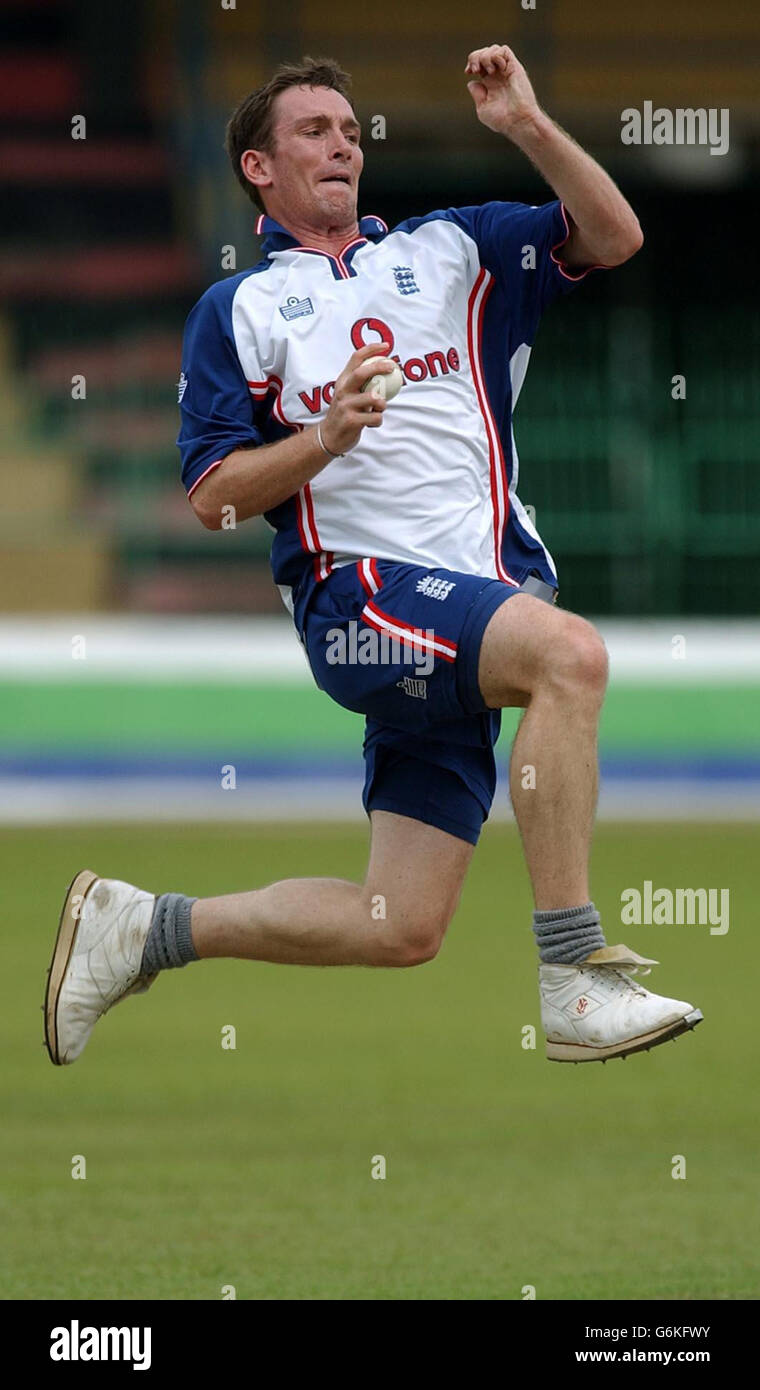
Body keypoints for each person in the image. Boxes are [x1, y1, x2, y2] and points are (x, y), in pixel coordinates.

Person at [45, 46, 702, 1068]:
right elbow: (213, 495)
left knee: (399, 924)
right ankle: (574, 976)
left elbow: (614, 235)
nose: (342, 144)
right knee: (568, 659)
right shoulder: (242, 311)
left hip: (468, 603)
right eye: (313, 130)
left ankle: (143, 928)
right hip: (357, 606)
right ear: (259, 169)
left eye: (351, 131)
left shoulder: (451, 251)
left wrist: (526, 124)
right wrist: (322, 441)